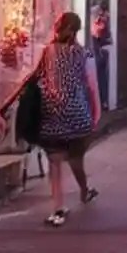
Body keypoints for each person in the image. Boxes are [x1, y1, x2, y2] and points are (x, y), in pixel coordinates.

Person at [36, 12, 101, 227]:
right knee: (76, 159)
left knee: (55, 163)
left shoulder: (48, 51)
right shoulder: (85, 55)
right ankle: (84, 190)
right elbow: (92, 87)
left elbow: (38, 79)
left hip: (52, 115)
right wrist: (95, 114)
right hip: (78, 117)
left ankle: (58, 208)